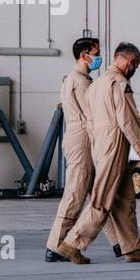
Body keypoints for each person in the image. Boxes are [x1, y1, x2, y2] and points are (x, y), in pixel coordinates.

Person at [54, 42, 140, 264]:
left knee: (125, 199)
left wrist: (95, 145)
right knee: (102, 199)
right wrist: (139, 146)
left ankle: (132, 248)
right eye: (136, 65)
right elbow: (127, 117)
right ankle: (72, 244)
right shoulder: (119, 83)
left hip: (100, 143)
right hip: (115, 142)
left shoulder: (96, 84)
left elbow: (89, 120)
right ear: (130, 61)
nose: (135, 69)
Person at [44, 38, 119, 263]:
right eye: (96, 53)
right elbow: (93, 115)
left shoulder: (73, 79)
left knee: (101, 194)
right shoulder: (82, 82)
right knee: (75, 193)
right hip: (83, 138)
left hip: (78, 136)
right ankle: (55, 246)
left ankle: (120, 242)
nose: (98, 57)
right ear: (84, 55)